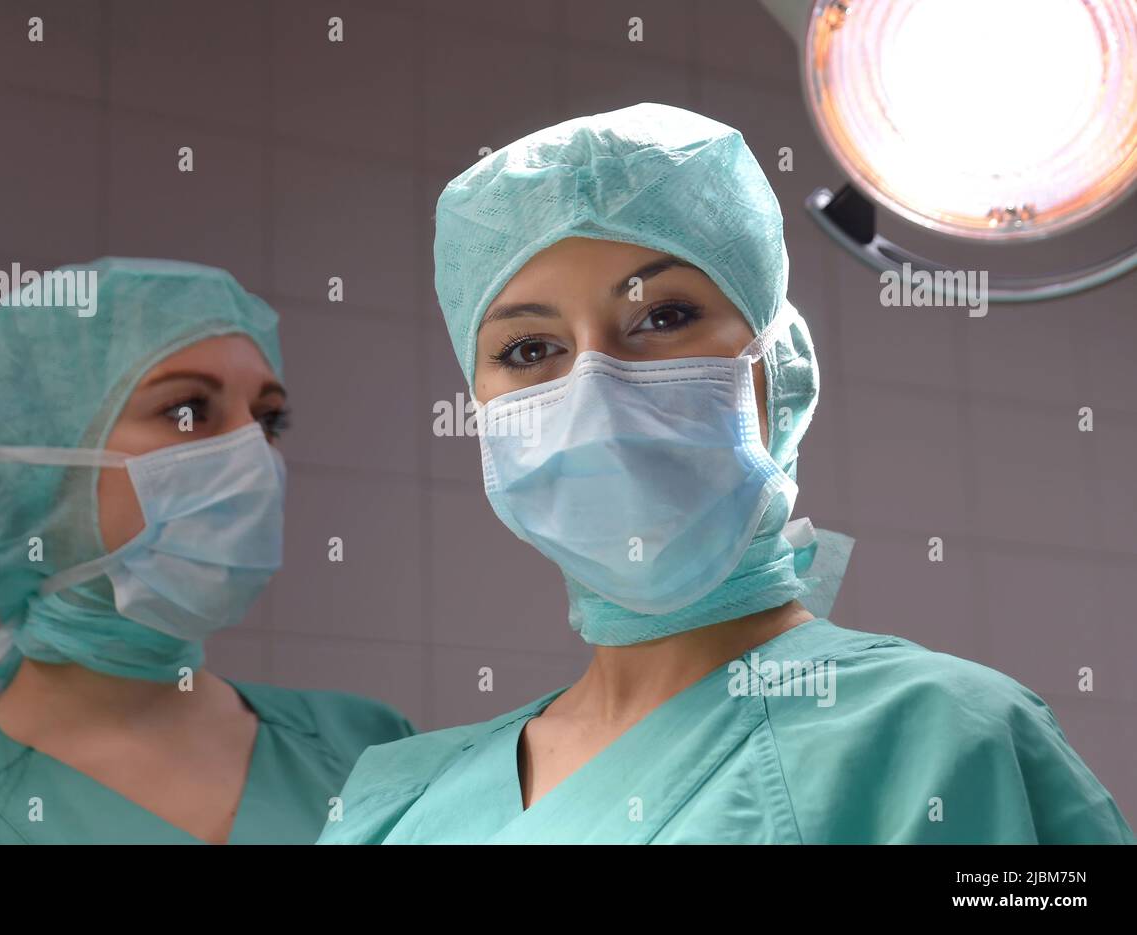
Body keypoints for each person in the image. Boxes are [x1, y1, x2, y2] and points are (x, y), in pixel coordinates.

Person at [316, 104, 1135, 844]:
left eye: (663, 317)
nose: (595, 391)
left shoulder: (944, 740)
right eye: (531, 350)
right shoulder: (396, 804)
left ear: (781, 370)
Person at [0, 257, 414, 844]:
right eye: (187, 411)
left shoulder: (368, 749)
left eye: (268, 421)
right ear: (43, 469)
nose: (253, 459)